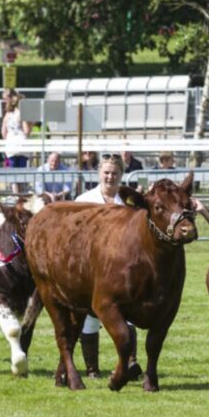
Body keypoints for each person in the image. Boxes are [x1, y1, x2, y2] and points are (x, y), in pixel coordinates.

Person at [73, 156, 138, 378]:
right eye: (106, 173)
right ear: (99, 173)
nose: (110, 177)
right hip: (92, 269)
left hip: (123, 269)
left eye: (115, 173)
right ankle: (92, 368)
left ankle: (130, 362)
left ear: (122, 174)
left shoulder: (129, 202)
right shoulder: (84, 200)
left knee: (127, 314)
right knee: (91, 315)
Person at [0, 91, 30, 168]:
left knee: (11, 170)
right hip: (22, 144)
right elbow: (26, 131)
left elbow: (3, 131)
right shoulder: (23, 113)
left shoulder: (8, 114)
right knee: (22, 172)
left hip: (10, 143)